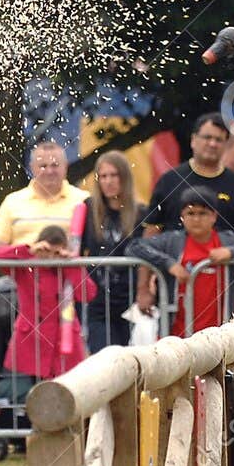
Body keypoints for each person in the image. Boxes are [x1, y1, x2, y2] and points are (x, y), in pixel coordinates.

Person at [128, 188, 234, 336]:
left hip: (220, 336)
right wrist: (168, 264)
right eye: (190, 213)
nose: (196, 219)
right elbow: (134, 247)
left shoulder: (227, 241)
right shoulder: (172, 241)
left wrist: (232, 252)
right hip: (175, 335)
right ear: (182, 216)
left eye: (202, 213)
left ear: (214, 216)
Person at [0, 225, 95, 400]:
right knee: (20, 397)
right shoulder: (27, 266)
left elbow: (88, 294)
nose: (51, 257)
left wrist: (71, 265)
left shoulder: (68, 267)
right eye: (48, 250)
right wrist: (29, 250)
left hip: (63, 342)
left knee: (67, 397)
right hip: (30, 341)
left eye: (56, 252)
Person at [78, 150, 154, 352]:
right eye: (103, 176)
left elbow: (148, 255)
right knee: (102, 357)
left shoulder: (141, 213)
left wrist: (144, 289)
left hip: (129, 299)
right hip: (98, 300)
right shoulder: (89, 208)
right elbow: (76, 249)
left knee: (129, 360)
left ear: (124, 178)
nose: (108, 181)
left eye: (114, 175)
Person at [146, 113, 234, 234]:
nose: (212, 144)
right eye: (207, 137)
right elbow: (152, 230)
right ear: (193, 140)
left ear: (226, 145)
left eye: (219, 139)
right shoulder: (169, 181)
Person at [0, 141, 88, 249]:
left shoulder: (84, 199)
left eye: (55, 165)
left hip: (67, 265)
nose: (49, 171)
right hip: (23, 265)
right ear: (32, 167)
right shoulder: (12, 201)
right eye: (43, 166)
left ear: (65, 166)